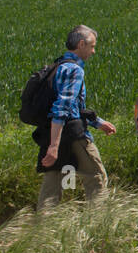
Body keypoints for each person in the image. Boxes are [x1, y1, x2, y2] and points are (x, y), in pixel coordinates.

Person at [36, 25, 116, 210]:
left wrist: (98, 122)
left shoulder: (57, 66)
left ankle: (43, 231)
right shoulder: (74, 70)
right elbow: (63, 108)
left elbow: (74, 107)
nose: (93, 51)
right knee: (96, 177)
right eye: (92, 46)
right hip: (73, 134)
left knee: (55, 180)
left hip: (53, 131)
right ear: (81, 44)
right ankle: (98, 226)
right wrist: (54, 147)